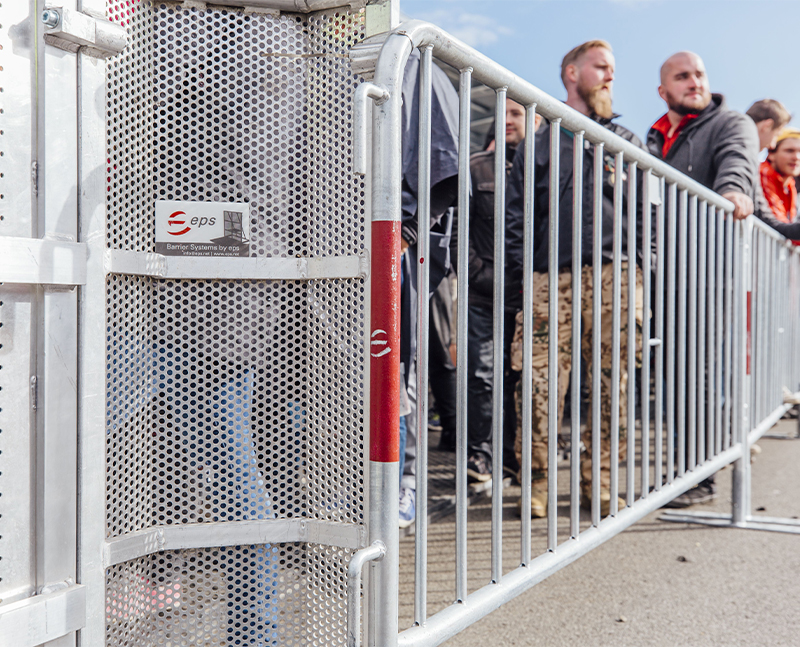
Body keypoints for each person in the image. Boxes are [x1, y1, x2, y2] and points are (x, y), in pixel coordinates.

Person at [506, 40, 644, 518]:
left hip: (616, 276)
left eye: (612, 67)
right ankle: (537, 484)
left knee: (615, 384)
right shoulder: (542, 139)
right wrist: (523, 277)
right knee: (540, 383)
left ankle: (599, 484)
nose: (609, 75)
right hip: (551, 278)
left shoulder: (626, 140)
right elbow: (516, 215)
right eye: (600, 66)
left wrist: (641, 271)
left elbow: (643, 217)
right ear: (571, 73)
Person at [648, 51, 760, 507]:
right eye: (682, 76)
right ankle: (687, 469)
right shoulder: (659, 138)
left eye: (699, 74)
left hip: (710, 273)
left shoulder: (730, 122)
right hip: (668, 272)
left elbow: (737, 163)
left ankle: (701, 477)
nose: (695, 82)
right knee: (677, 376)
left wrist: (734, 189)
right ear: (664, 91)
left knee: (702, 375)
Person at [398, 50, 460, 528]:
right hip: (325, 252)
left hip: (392, 254)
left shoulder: (412, 59)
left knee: (397, 378)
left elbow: (440, 172)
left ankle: (403, 487)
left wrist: (403, 234)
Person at [465, 98, 531, 483]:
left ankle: (514, 456)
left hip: (528, 295)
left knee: (522, 377)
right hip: (483, 294)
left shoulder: (544, 169)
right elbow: (459, 228)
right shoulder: (476, 166)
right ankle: (480, 458)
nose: (506, 120)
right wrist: (477, 273)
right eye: (502, 112)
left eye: (517, 113)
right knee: (481, 375)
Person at [755, 126, 800, 242]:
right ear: (771, 153)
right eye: (789, 151)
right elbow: (779, 226)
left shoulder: (790, 184)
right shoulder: (762, 173)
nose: (796, 157)